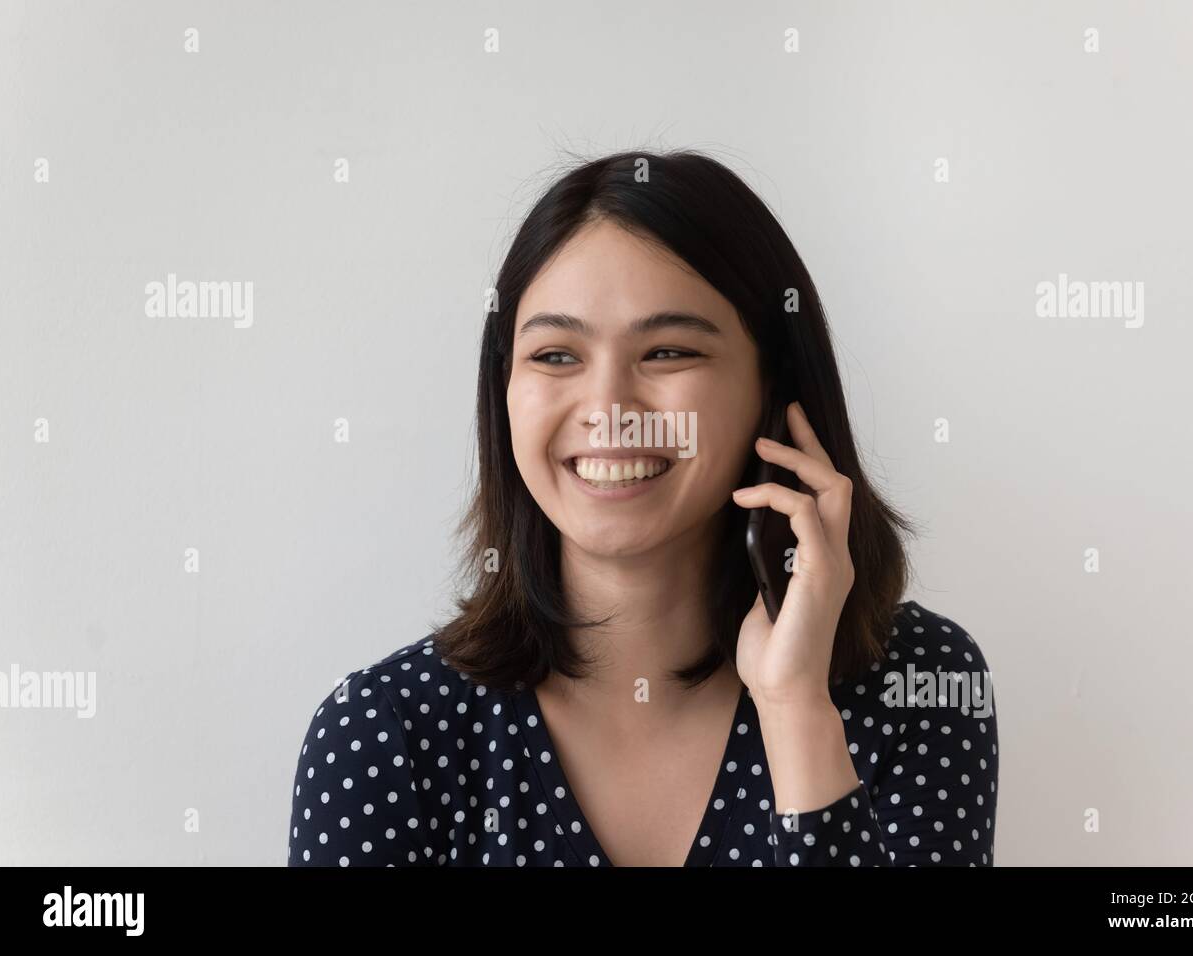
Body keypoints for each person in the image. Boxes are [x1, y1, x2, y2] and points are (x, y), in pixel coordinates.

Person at [287, 149, 999, 867]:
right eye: (556, 356)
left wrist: (794, 710)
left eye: (667, 352)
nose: (609, 411)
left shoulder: (923, 685)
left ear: (772, 384)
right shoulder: (382, 733)